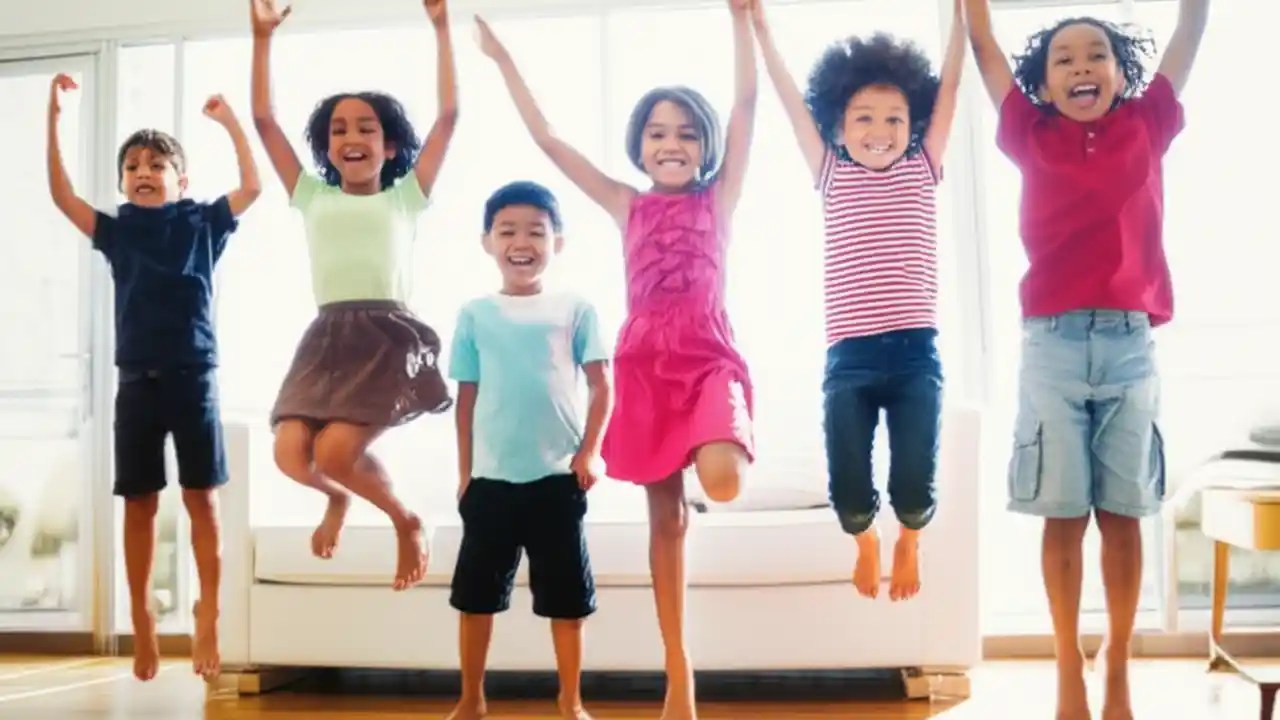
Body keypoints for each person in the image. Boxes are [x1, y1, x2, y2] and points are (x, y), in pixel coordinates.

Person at [475, 3, 756, 715]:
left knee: (720, 480)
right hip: (644, 365)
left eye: (687, 134)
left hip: (707, 355)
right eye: (658, 133)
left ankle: (706, 449)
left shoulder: (720, 200)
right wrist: (504, 59)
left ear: (705, 146)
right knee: (667, 522)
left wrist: (743, 22)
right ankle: (678, 670)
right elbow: (549, 139)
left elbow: (747, 102)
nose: (672, 143)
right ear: (640, 144)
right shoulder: (628, 204)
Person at [965, 0, 1210, 717]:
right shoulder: (1027, 132)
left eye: (1094, 55)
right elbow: (982, 44)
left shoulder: (1148, 122)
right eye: (1063, 59)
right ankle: (1068, 663)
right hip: (1051, 345)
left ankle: (1119, 665)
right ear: (1041, 85)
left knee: (1124, 513)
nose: (1080, 66)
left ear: (1118, 72)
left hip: (1131, 343)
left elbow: (1192, 29)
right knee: (1063, 515)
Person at [46, 73, 261, 681]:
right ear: (122, 182)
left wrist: (230, 122)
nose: (144, 170)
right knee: (139, 504)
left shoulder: (202, 223)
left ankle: (209, 613)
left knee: (202, 502)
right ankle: (142, 620)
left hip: (195, 379)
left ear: (180, 180)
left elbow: (252, 185)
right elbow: (63, 196)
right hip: (136, 383)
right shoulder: (117, 231)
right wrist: (56, 116)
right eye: (133, 165)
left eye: (158, 163)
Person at [753, 0, 965, 602]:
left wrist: (960, 19)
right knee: (848, 489)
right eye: (864, 118)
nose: (880, 132)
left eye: (894, 119)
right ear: (838, 127)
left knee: (916, 489)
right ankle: (867, 540)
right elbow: (788, 97)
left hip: (916, 356)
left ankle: (909, 539)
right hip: (849, 357)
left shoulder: (925, 165)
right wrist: (762, 28)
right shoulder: (831, 172)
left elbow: (952, 84)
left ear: (914, 124)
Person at [249, 0, 459, 590]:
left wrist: (442, 29)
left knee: (338, 450)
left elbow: (449, 115)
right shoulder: (312, 195)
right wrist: (262, 38)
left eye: (367, 127)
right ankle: (337, 501)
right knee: (292, 454)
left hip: (385, 335)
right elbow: (265, 118)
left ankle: (406, 518)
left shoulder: (405, 198)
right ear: (327, 147)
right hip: (327, 335)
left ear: (389, 146)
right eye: (340, 129)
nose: (353, 136)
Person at [447, 181, 611, 720]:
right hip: (491, 482)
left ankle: (571, 703)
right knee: (475, 599)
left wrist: (589, 452)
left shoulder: (575, 308)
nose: (523, 242)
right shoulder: (475, 313)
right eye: (508, 231)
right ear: (488, 241)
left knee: (567, 602)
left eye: (536, 232)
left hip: (557, 481)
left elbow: (602, 386)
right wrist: (465, 475)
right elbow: (465, 400)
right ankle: (471, 699)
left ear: (556, 241)